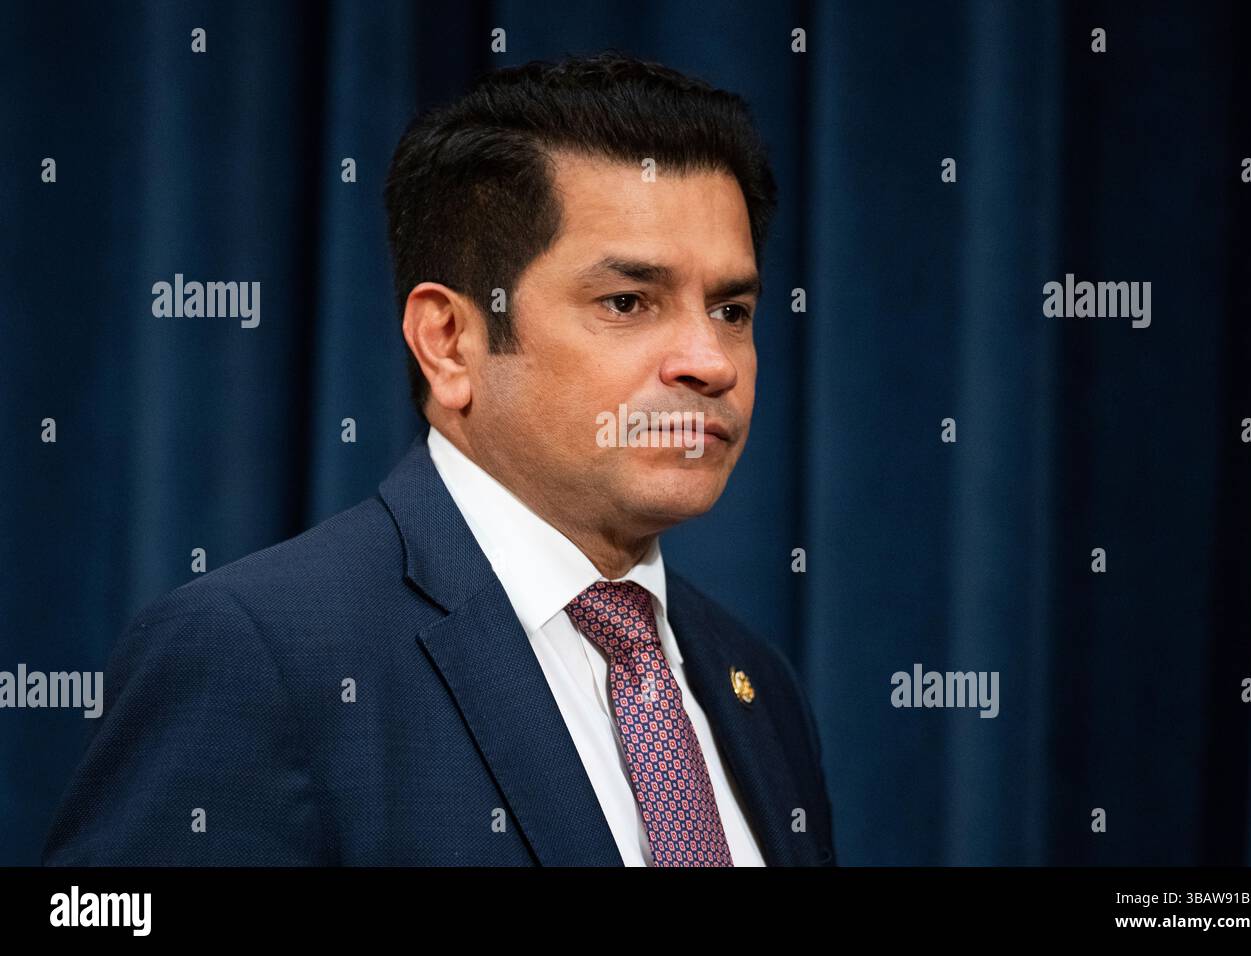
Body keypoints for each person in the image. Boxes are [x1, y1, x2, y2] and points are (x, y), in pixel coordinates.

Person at [42, 52, 835, 867]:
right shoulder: (253, 656)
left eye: (732, 309)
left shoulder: (754, 682)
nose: (712, 362)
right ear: (449, 342)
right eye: (627, 303)